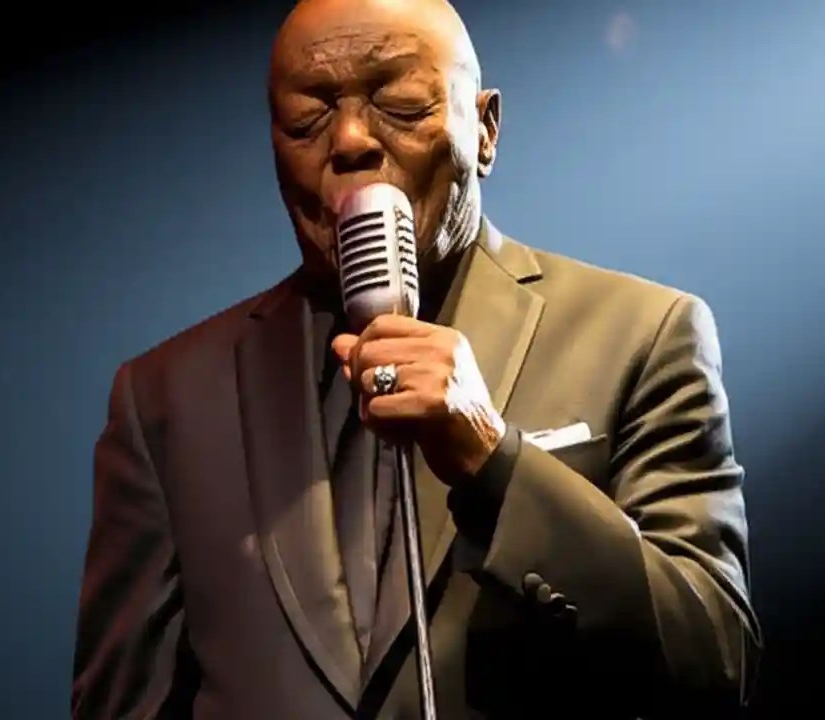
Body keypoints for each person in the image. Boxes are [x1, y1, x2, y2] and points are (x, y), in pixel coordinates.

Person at [70, 0, 762, 717]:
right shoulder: (167, 398)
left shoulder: (642, 333)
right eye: (306, 119)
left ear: (485, 130)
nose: (348, 141)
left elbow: (710, 656)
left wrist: (495, 464)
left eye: (399, 105)